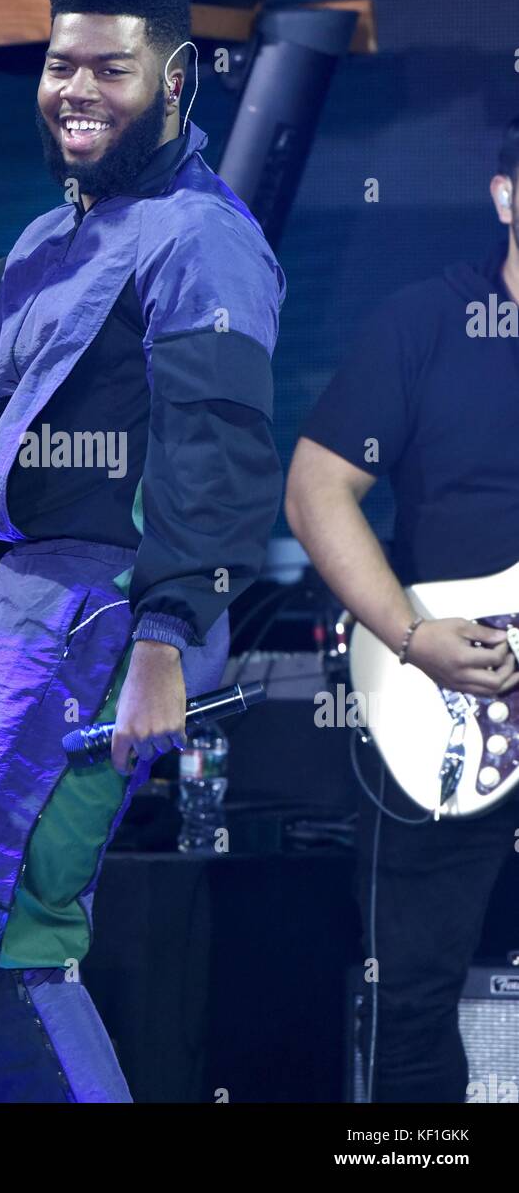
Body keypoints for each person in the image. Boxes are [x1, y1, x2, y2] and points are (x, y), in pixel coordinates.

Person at [0, 0, 285, 1102]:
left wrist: (163, 646)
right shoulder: (54, 238)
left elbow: (215, 455)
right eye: (60, 63)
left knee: (1, 939)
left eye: (110, 67)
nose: (76, 90)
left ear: (173, 77)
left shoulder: (204, 240)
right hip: (9, 613)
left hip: (97, 617)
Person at [285, 117, 519, 1103]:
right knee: (408, 1006)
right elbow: (312, 490)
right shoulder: (425, 324)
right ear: (505, 194)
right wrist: (412, 637)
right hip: (447, 699)